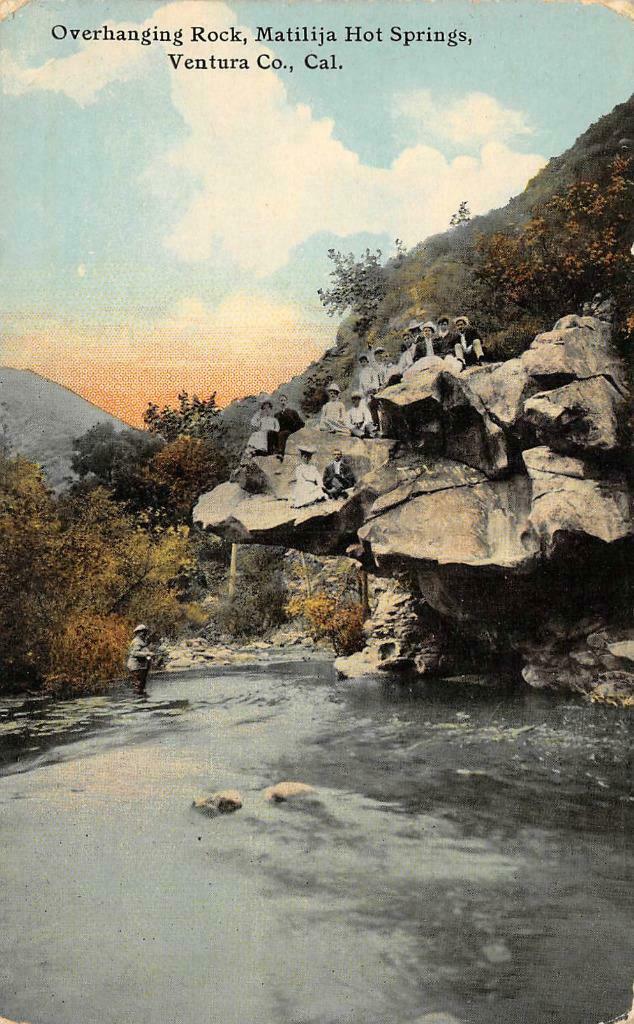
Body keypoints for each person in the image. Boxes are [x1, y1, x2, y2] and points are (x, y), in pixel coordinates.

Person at [126, 624, 153, 695]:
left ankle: (142, 700)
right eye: (143, 632)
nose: (144, 634)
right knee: (138, 684)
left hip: (139, 666)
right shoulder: (137, 641)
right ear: (138, 633)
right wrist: (147, 654)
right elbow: (135, 653)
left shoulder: (141, 641)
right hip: (135, 666)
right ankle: (138, 701)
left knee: (141, 684)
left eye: (145, 632)